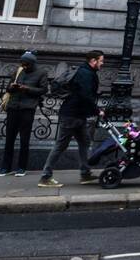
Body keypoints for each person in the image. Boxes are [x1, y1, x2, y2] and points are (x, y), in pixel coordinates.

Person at [38, 50, 104, 188]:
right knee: (61, 145)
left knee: (84, 142)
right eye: (101, 61)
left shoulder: (86, 72)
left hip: (77, 115)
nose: (102, 64)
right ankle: (45, 176)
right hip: (71, 115)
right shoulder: (85, 74)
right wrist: (97, 110)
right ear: (93, 61)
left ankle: (85, 173)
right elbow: (85, 95)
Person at [0, 51, 47, 177]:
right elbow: (8, 88)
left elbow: (43, 90)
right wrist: (12, 87)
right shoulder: (19, 71)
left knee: (24, 139)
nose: (24, 66)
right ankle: (5, 167)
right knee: (9, 139)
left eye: (27, 64)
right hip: (13, 107)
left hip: (27, 109)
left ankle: (21, 167)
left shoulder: (41, 73)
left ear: (33, 63)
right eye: (23, 64)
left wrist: (27, 89)